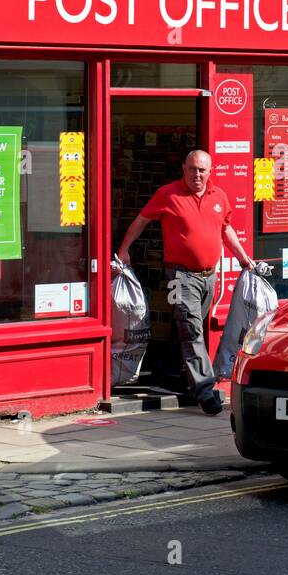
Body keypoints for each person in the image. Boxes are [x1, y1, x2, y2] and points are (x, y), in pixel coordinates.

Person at [118, 150, 255, 415]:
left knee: (185, 326)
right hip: (179, 277)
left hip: (208, 276)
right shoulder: (168, 194)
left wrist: (242, 258)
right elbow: (141, 221)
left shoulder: (219, 196)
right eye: (192, 169)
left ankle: (164, 374)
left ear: (210, 171)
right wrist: (125, 249)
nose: (197, 175)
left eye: (202, 170)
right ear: (184, 168)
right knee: (192, 330)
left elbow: (226, 228)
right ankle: (205, 391)